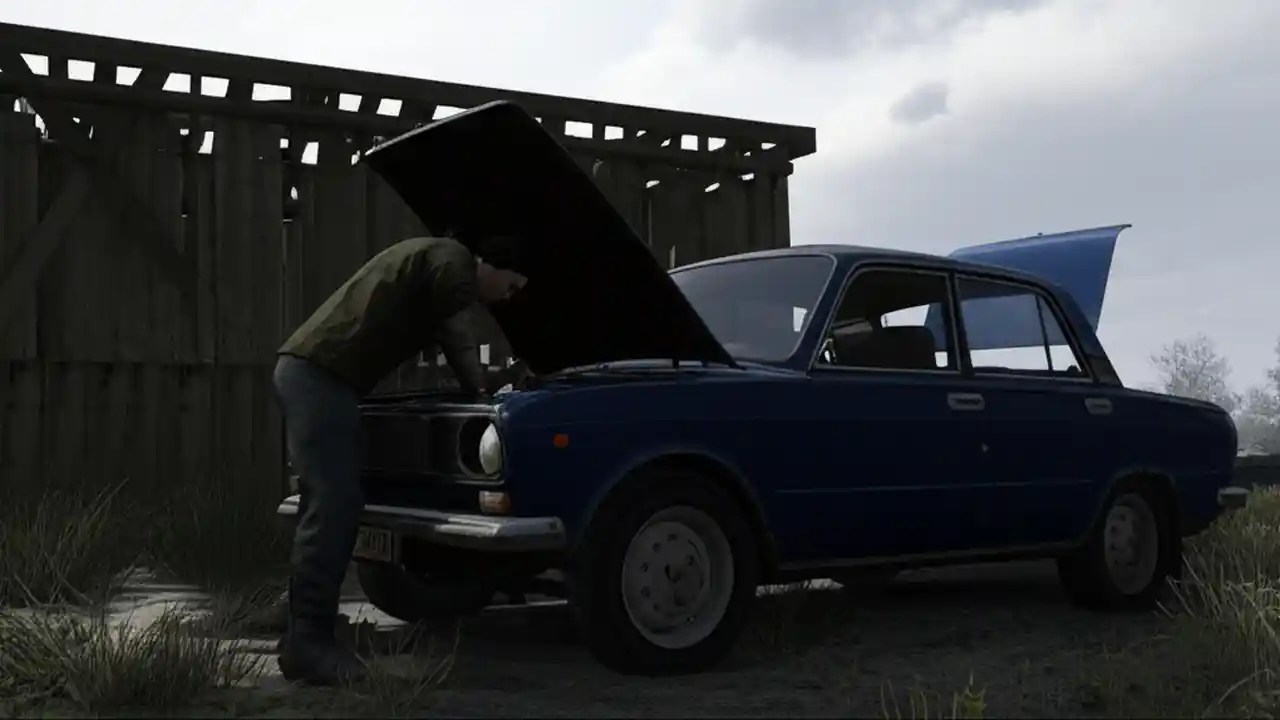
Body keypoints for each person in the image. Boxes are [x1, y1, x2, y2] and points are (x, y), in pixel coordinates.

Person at [272, 234, 528, 686]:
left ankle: (306, 630)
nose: (506, 299)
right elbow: (457, 334)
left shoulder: (431, 262)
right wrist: (481, 390)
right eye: (509, 287)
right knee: (333, 503)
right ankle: (308, 645)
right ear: (491, 263)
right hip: (320, 375)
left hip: (319, 374)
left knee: (331, 500)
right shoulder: (452, 261)